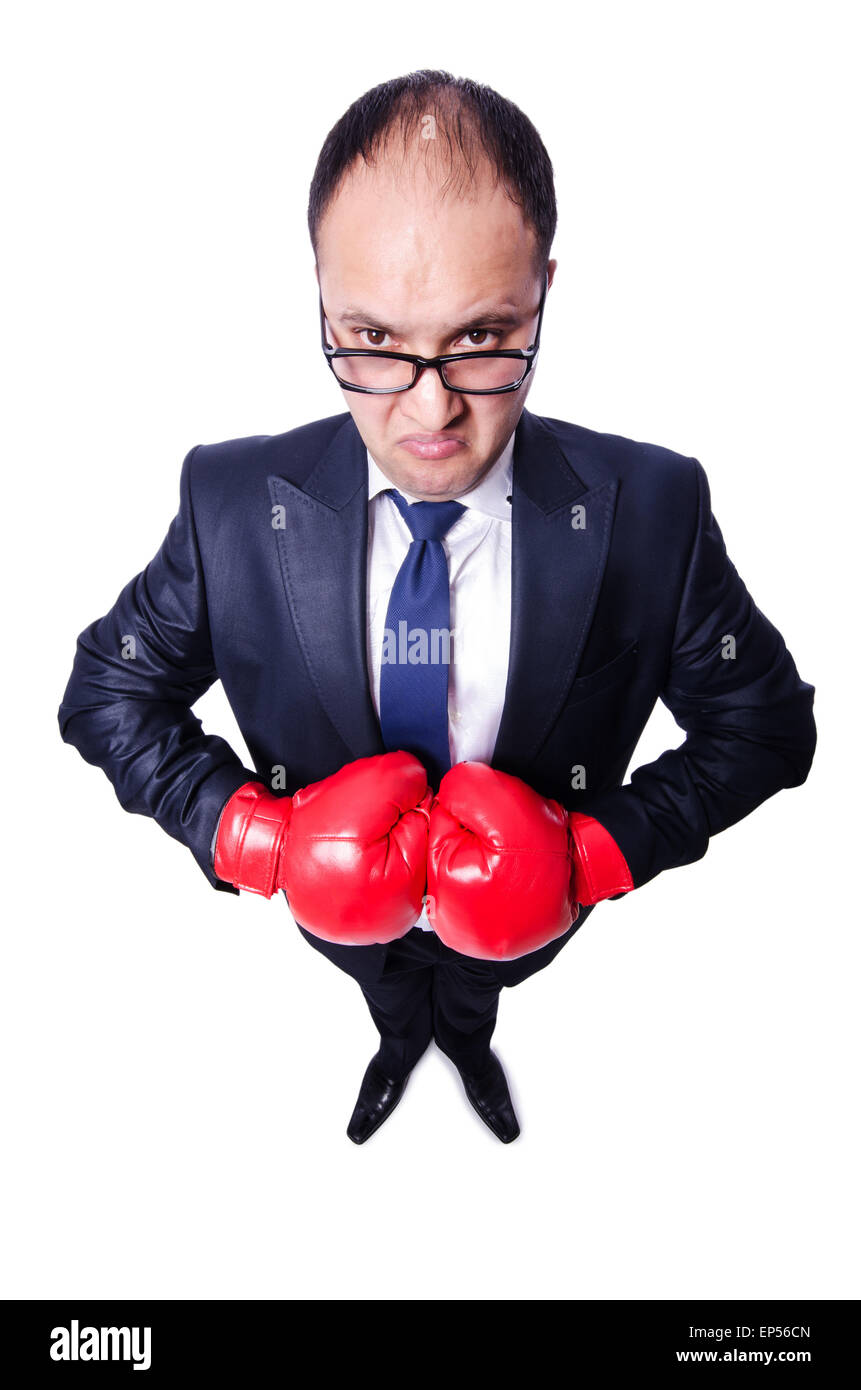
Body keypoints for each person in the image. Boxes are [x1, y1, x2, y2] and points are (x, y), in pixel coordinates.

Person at [57, 70, 817, 1146]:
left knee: (475, 994)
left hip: (529, 914)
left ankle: (468, 1040)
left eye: (479, 339)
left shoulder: (654, 508)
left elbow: (766, 727)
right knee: (390, 994)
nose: (427, 408)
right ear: (319, 296)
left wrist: (597, 853)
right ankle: (396, 1042)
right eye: (369, 339)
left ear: (542, 293)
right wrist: (260, 840)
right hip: (341, 918)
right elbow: (107, 693)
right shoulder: (227, 502)